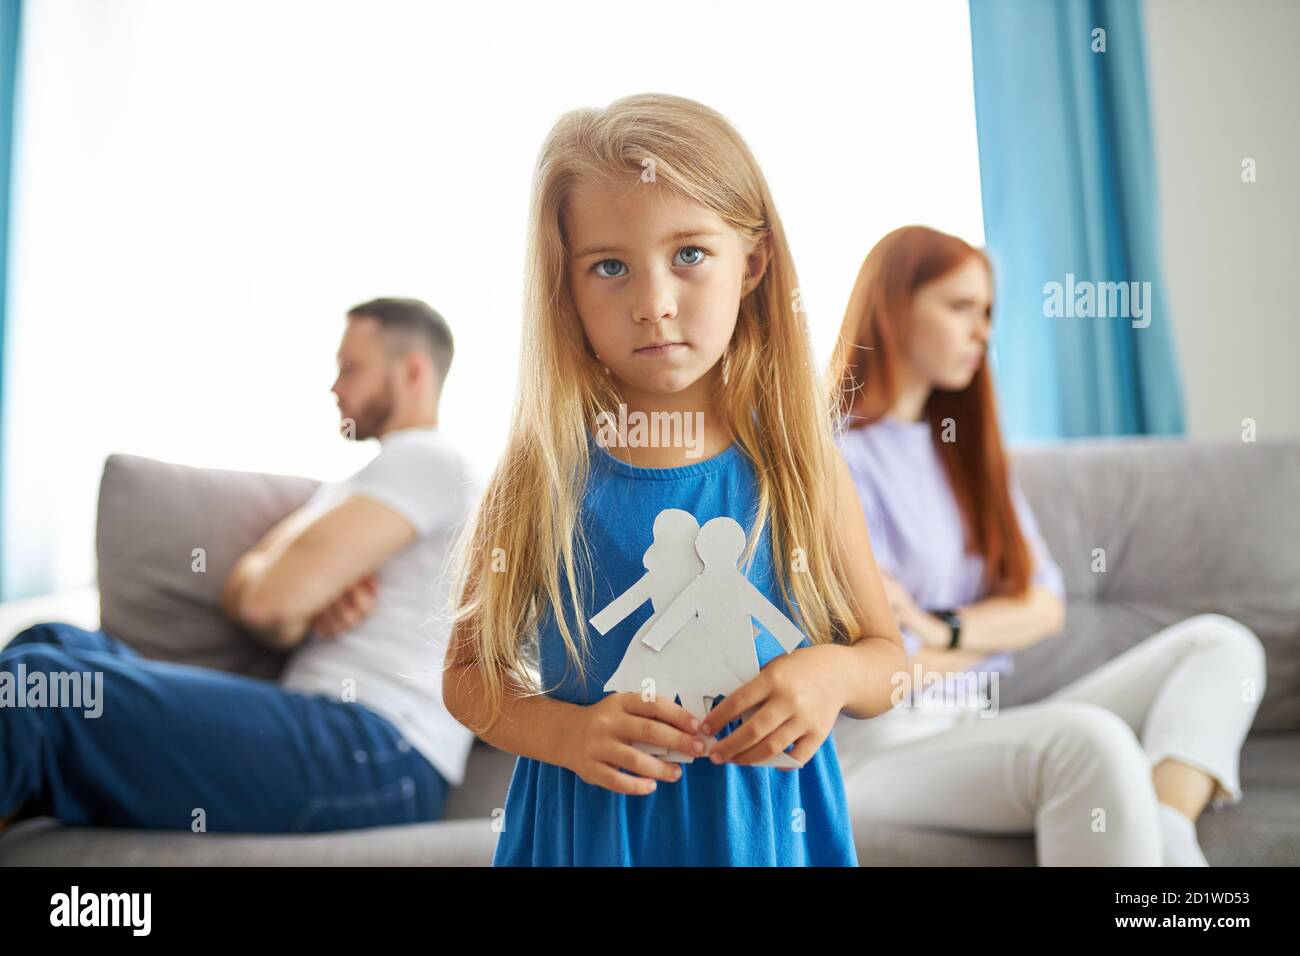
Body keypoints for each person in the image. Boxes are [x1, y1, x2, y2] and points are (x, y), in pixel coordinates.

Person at [441, 93, 907, 866]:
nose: (653, 305)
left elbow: (887, 660)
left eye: (689, 255)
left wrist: (829, 674)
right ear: (568, 285)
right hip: (591, 836)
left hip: (759, 832)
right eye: (611, 267)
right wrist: (568, 733)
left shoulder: (797, 459)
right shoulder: (540, 467)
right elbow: (468, 676)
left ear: (753, 263)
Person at [826, 225, 1267, 866]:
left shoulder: (966, 455)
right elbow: (890, 663)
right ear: (892, 307)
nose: (982, 332)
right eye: (959, 308)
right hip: (883, 747)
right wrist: (968, 632)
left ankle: (1169, 830)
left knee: (1222, 645)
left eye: (987, 313)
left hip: (975, 723)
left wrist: (943, 628)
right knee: (1089, 741)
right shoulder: (836, 458)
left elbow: (1045, 603)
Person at [0, 297, 478, 834]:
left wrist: (296, 592)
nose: (334, 386)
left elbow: (267, 603)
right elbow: (250, 588)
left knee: (38, 687)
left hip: (376, 749)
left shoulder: (429, 460)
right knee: (52, 640)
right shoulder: (353, 486)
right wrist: (302, 591)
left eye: (351, 367)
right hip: (328, 729)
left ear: (413, 370)